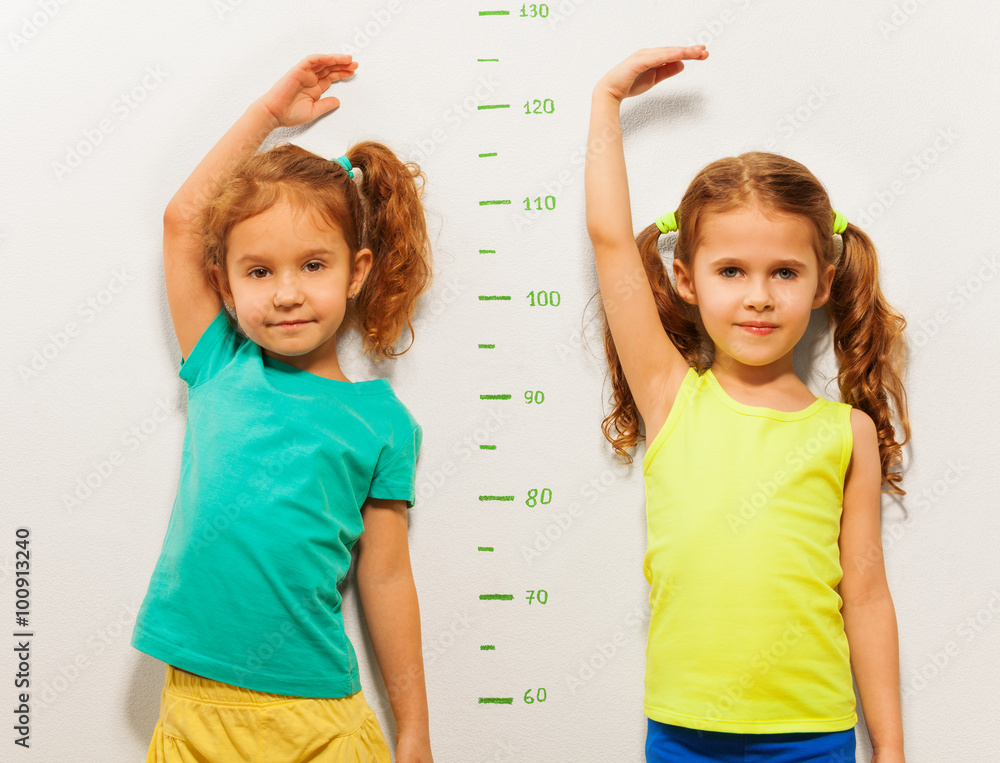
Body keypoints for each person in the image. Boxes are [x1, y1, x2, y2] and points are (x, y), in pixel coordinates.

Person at [586, 46, 910, 763]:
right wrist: (607, 101)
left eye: (784, 272)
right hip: (683, 734)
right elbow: (611, 242)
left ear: (822, 283)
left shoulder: (846, 431)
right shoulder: (671, 397)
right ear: (685, 279)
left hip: (814, 734)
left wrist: (889, 747)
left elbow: (866, 594)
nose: (758, 295)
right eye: (731, 270)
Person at [131, 54, 434, 763]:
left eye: (313, 264)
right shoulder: (219, 363)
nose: (287, 292)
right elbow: (182, 219)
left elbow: (386, 577)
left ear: (356, 271)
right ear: (226, 286)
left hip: (319, 723)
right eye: (260, 271)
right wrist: (269, 114)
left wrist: (415, 731)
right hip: (196, 711)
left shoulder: (381, 421)